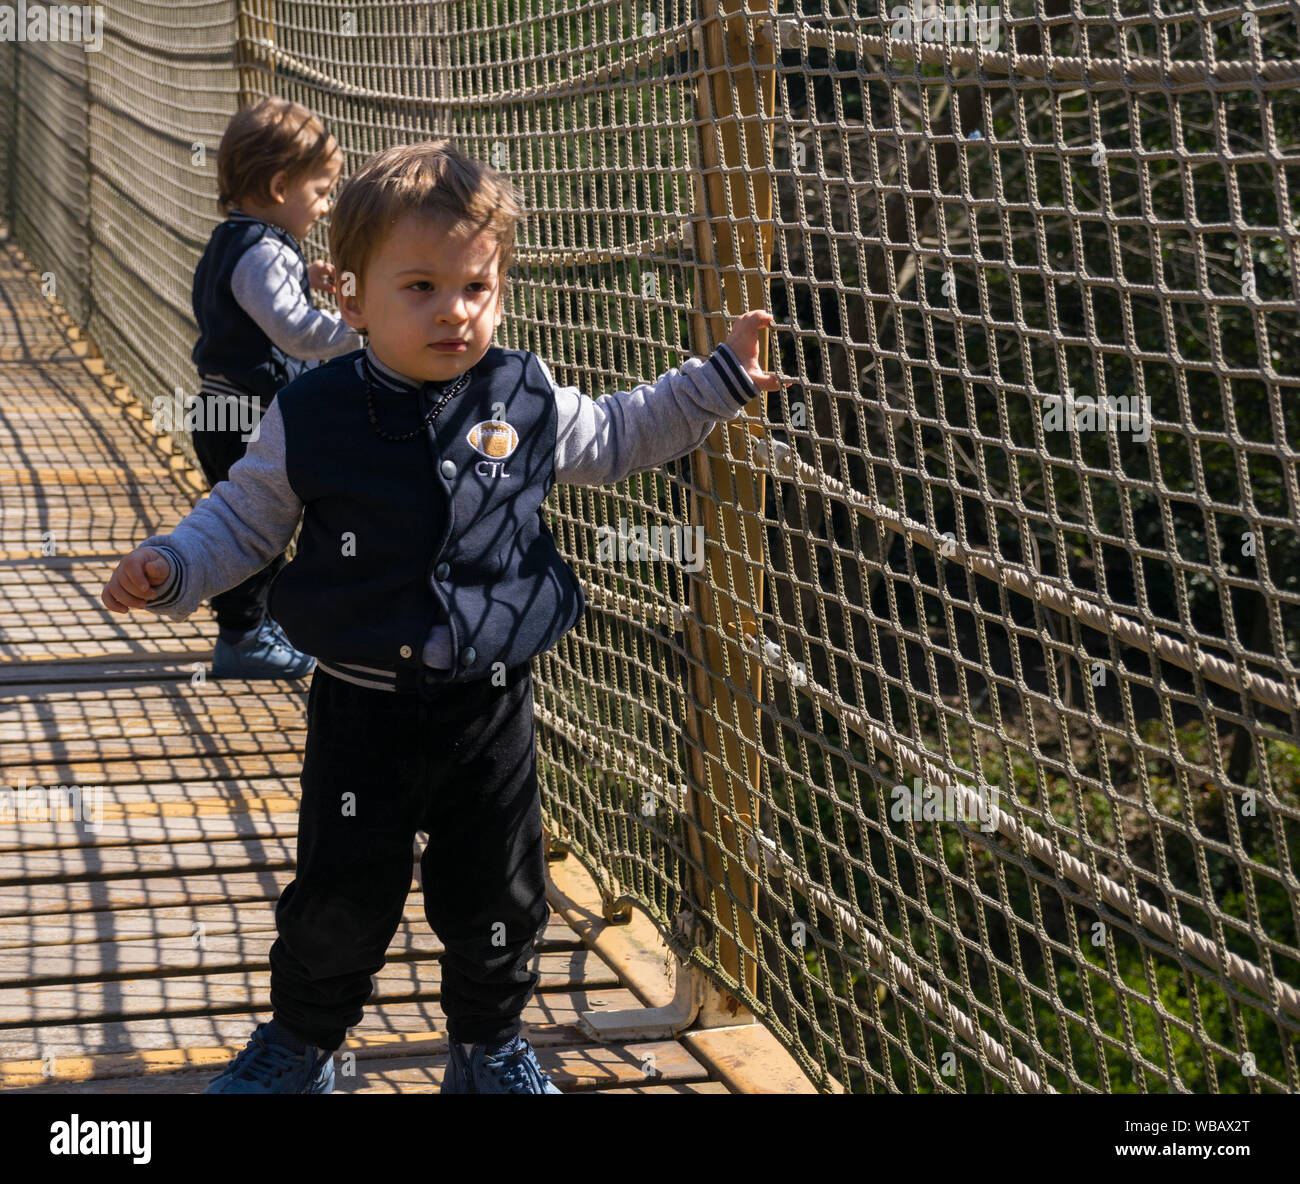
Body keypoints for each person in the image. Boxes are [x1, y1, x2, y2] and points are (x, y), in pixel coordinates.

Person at [101, 139, 779, 1093]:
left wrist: (718, 383)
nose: (454, 312)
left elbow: (624, 434)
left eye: (476, 287)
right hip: (361, 708)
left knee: (498, 891)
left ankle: (487, 1045)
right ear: (350, 296)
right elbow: (245, 518)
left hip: (489, 708)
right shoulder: (316, 411)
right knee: (339, 891)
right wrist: (172, 566)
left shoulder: (525, 396)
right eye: (419, 287)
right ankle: (304, 1042)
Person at [188, 96, 362, 679]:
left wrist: (302, 274)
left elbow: (251, 301)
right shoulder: (263, 254)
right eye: (320, 192)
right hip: (245, 414)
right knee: (253, 529)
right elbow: (294, 331)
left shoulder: (232, 241)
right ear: (281, 184)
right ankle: (242, 639)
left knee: (248, 520)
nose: (326, 204)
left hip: (220, 407)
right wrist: (362, 332)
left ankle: (256, 626)